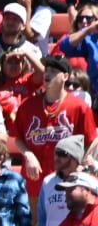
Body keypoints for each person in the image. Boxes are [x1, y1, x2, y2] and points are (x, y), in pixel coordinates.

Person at [11, 56, 97, 206]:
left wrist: (81, 162)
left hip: (67, 182)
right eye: (46, 70)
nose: (47, 74)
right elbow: (17, 137)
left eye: (53, 70)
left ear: (65, 76)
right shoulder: (27, 105)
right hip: (34, 181)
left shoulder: (78, 107)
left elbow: (93, 138)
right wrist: (28, 154)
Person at [37, 135, 86, 226]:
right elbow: (42, 220)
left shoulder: (87, 183)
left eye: (62, 154)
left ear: (74, 158)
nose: (56, 158)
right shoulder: (47, 181)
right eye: (56, 153)